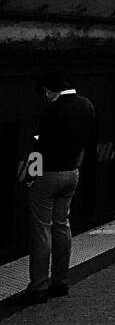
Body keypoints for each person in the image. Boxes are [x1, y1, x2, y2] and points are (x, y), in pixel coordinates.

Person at [9, 73, 96, 306]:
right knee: (61, 225)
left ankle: (38, 287)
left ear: (48, 91)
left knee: (41, 230)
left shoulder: (53, 110)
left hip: (47, 176)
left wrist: (30, 176)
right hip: (72, 174)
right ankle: (60, 281)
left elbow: (40, 147)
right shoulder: (87, 105)